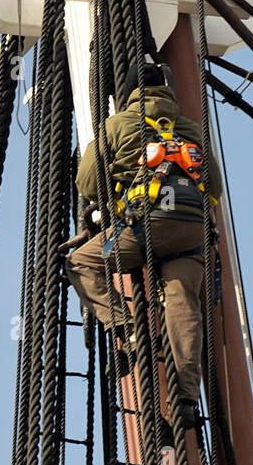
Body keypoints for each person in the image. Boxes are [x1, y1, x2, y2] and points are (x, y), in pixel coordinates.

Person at [66, 59, 221, 429]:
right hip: (192, 230)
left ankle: (128, 329)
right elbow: (213, 188)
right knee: (183, 302)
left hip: (145, 226)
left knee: (82, 263)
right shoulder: (191, 129)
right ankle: (186, 397)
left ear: (130, 93)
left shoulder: (118, 125)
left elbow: (87, 184)